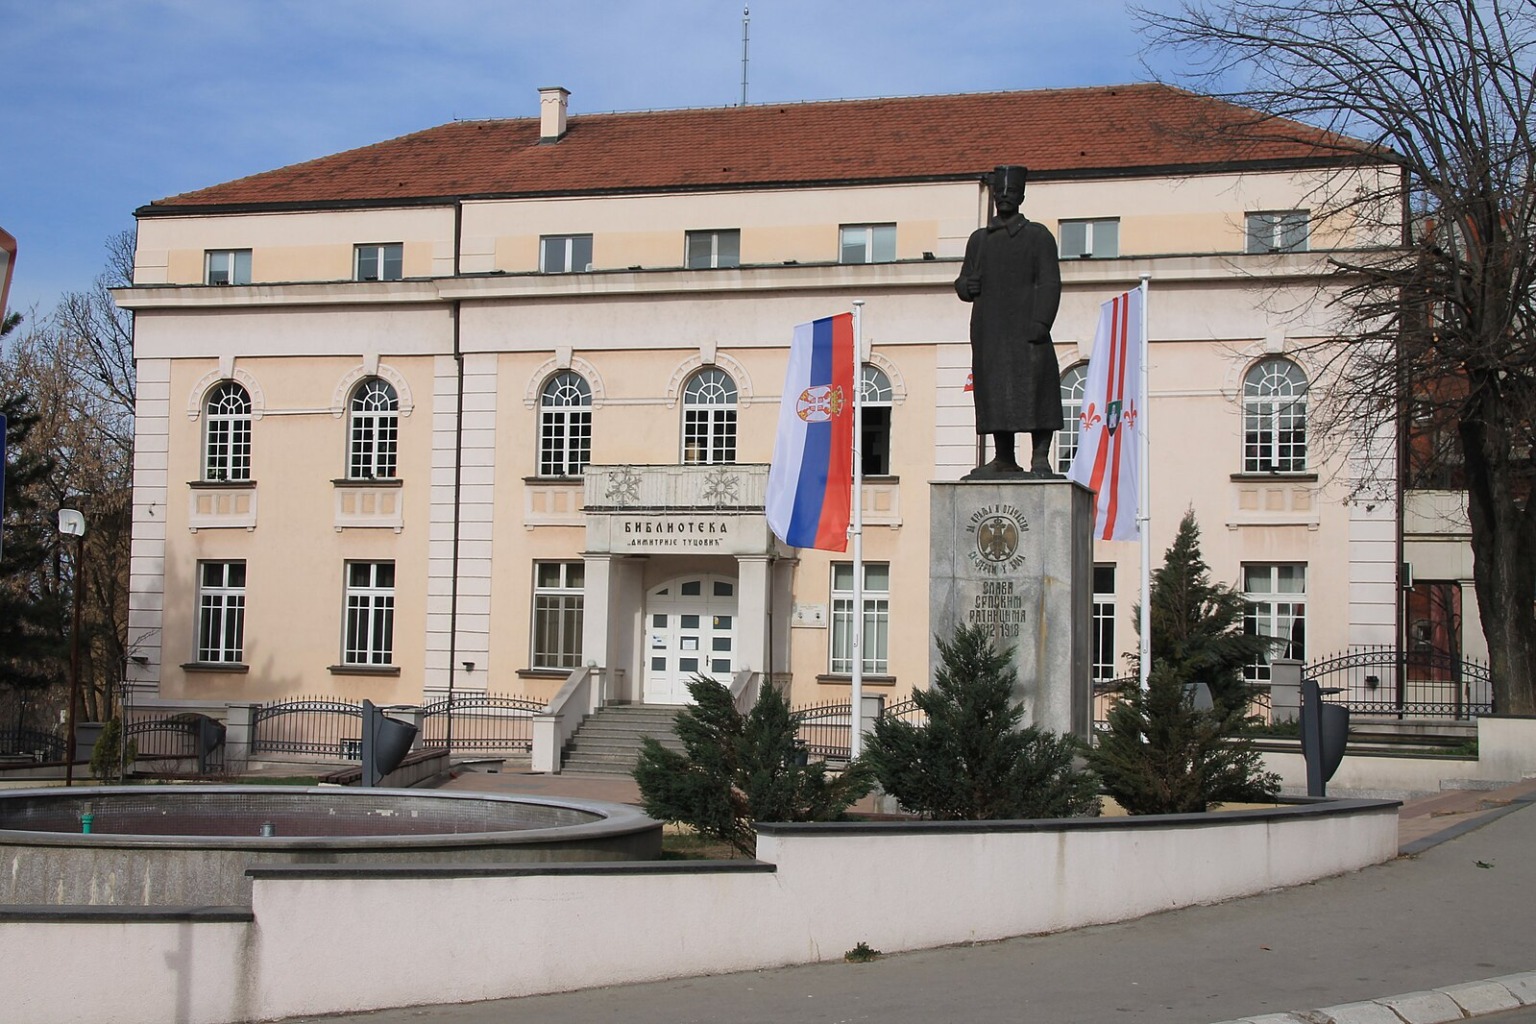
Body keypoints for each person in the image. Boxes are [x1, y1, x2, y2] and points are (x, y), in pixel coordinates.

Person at [955, 165, 1064, 475]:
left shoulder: (1038, 236)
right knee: (995, 391)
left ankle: (1040, 457)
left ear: (1021, 196)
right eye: (1000, 191)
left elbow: (1050, 282)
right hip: (990, 330)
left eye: (1011, 191)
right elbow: (964, 280)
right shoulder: (979, 240)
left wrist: (1041, 322)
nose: (1005, 196)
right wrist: (966, 286)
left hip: (1027, 327)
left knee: (1037, 389)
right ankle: (1004, 457)